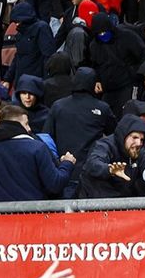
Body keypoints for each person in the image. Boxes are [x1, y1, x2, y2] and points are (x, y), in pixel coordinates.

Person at [0, 104, 77, 202]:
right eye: (26, 124)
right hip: (34, 215)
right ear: (16, 125)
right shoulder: (37, 148)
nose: (29, 129)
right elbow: (55, 184)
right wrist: (67, 164)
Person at [44, 67, 118, 198]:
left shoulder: (58, 106)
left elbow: (46, 138)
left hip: (65, 171)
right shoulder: (102, 108)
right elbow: (116, 135)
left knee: (67, 216)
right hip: (92, 175)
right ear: (93, 83)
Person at [78, 113, 145, 198]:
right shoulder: (105, 145)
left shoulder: (138, 152)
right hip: (96, 204)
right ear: (124, 135)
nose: (139, 143)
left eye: (142, 139)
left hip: (123, 204)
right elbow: (93, 163)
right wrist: (110, 170)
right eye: (134, 137)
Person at [89, 12, 145, 117]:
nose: (103, 35)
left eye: (105, 32)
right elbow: (95, 66)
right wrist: (97, 80)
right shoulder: (94, 46)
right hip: (108, 89)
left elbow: (144, 56)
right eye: (99, 33)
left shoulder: (127, 36)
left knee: (130, 115)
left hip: (129, 84)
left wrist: (137, 74)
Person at [4, 2, 56, 83]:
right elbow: (18, 57)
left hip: (36, 83)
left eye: (18, 21)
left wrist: (46, 82)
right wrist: (7, 79)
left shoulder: (41, 28)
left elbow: (49, 57)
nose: (16, 25)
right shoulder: (20, 33)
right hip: (21, 82)